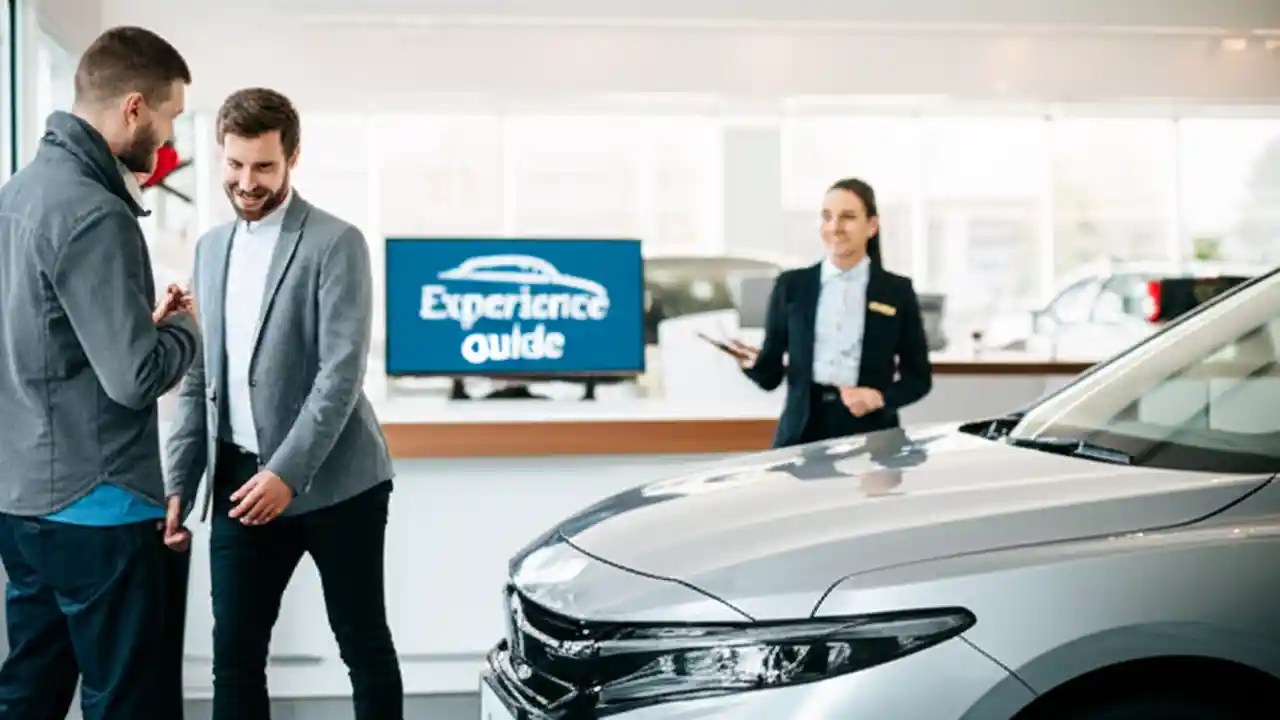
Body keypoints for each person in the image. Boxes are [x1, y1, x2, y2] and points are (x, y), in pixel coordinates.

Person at [164, 87, 402, 720]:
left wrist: (286, 474)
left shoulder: (335, 241)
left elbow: (340, 375)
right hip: (241, 478)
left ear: (292, 157)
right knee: (235, 658)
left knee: (363, 645)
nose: (247, 182)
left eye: (264, 166)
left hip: (337, 482)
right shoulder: (210, 248)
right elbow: (199, 376)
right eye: (235, 165)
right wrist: (179, 484)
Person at [0, 25, 198, 720]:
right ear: (134, 107)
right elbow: (135, 379)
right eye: (170, 117)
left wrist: (132, 323)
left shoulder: (17, 196)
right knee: (127, 700)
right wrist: (181, 332)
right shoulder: (96, 212)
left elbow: (44, 340)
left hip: (23, 502)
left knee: (30, 689)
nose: (168, 140)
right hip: (101, 504)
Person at [736, 177, 932, 447]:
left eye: (847, 217)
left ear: (871, 226)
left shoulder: (896, 291)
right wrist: (751, 364)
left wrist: (880, 398)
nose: (835, 227)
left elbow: (918, 379)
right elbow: (771, 377)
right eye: (827, 217)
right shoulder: (792, 286)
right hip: (801, 431)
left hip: (871, 434)